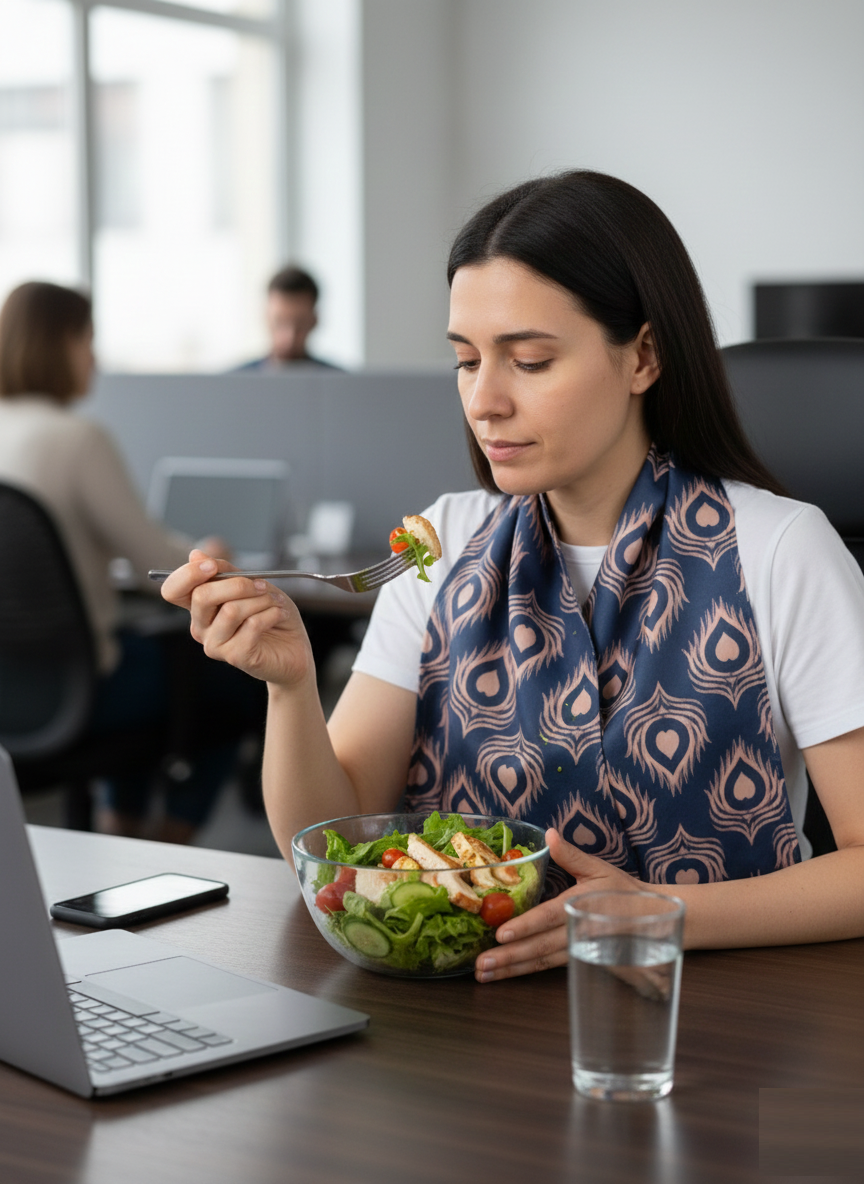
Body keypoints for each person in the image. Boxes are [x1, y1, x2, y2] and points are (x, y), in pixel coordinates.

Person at [162, 170, 864, 974]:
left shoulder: (779, 550)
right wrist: (289, 688)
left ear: (642, 356)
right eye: (466, 361)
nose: (484, 400)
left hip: (703, 1028)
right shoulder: (443, 544)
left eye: (528, 361)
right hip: (465, 1028)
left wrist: (656, 916)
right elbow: (331, 849)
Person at [0, 280, 248, 842]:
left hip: (13, 687)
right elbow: (157, 566)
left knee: (150, 657)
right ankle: (167, 840)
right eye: (86, 338)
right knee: (235, 676)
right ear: (57, 343)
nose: (94, 356)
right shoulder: (76, 438)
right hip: (77, 689)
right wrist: (210, 553)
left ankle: (121, 829)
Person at [235, 265, 340, 372]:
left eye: (300, 324)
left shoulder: (342, 383)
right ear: (265, 317)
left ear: (314, 320)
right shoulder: (231, 384)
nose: (289, 338)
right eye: (279, 322)